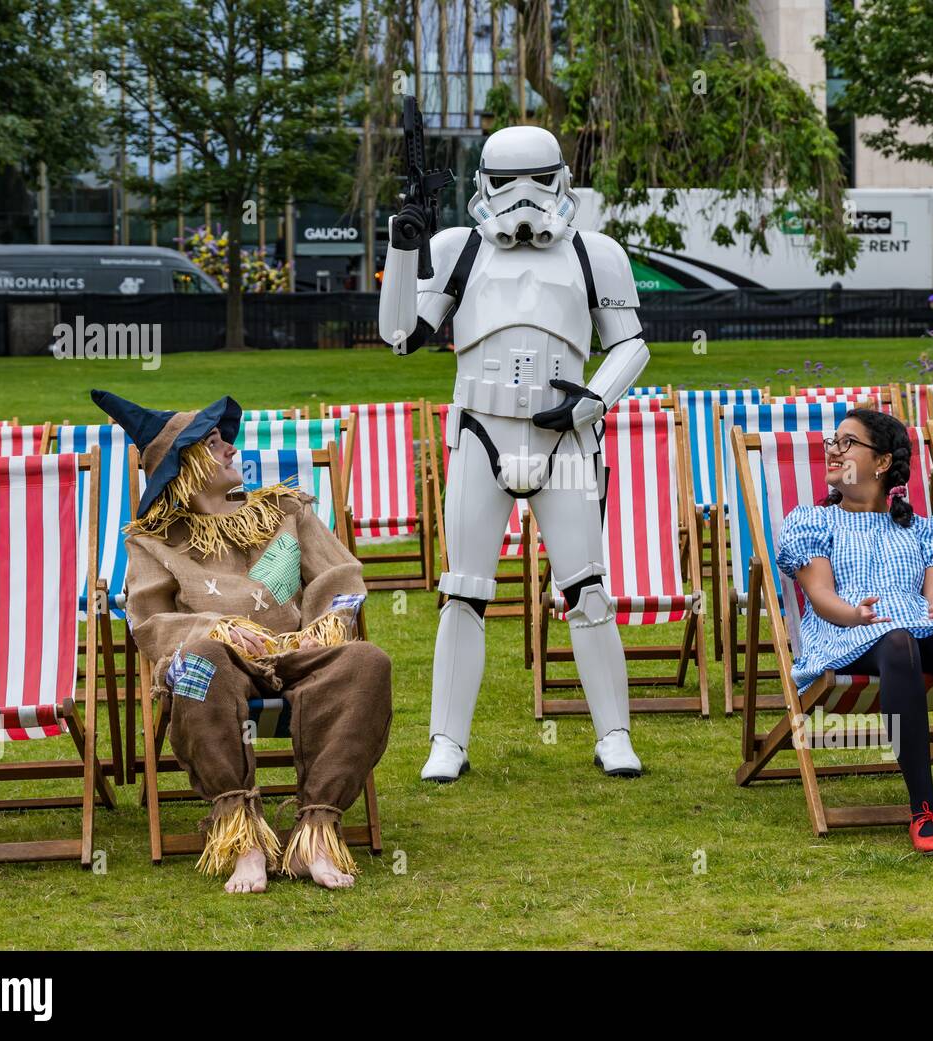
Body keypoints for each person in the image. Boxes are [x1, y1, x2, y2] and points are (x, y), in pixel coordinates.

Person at [377, 123, 650, 782]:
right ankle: (448, 739)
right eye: (507, 182)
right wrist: (403, 247)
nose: (523, 196)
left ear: (559, 178)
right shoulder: (456, 249)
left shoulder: (596, 252)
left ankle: (613, 733)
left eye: (536, 178)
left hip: (566, 435)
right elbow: (397, 335)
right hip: (482, 427)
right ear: (483, 185)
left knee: (585, 586)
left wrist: (591, 399)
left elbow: (631, 344)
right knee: (463, 589)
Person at [93, 389, 393, 893]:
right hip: (221, 666)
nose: (231, 448)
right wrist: (218, 629)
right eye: (214, 443)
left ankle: (314, 836)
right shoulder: (154, 542)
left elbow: (338, 577)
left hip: (300, 653)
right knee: (196, 663)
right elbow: (149, 622)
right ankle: (244, 839)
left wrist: (320, 630)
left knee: (368, 662)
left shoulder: (284, 510)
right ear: (185, 465)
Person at [775, 408, 933, 855]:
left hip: (916, 629)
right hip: (846, 632)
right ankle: (923, 809)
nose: (833, 451)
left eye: (846, 442)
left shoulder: (926, 529)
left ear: (880, 463)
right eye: (831, 443)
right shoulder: (814, 522)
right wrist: (854, 614)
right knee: (897, 642)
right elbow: (820, 596)